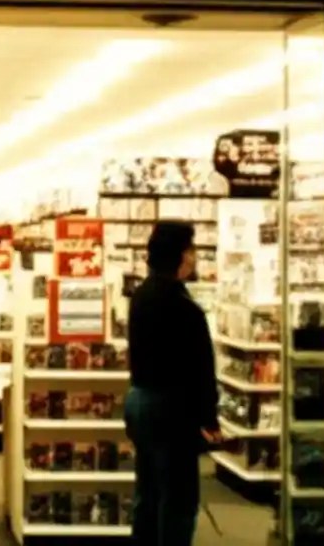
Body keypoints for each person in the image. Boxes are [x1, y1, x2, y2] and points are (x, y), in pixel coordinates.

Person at [125, 221, 222, 546]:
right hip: (170, 408)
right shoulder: (184, 307)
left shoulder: (140, 295)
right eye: (192, 250)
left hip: (139, 400)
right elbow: (200, 366)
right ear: (181, 255)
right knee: (179, 498)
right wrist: (209, 417)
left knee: (148, 491)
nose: (195, 257)